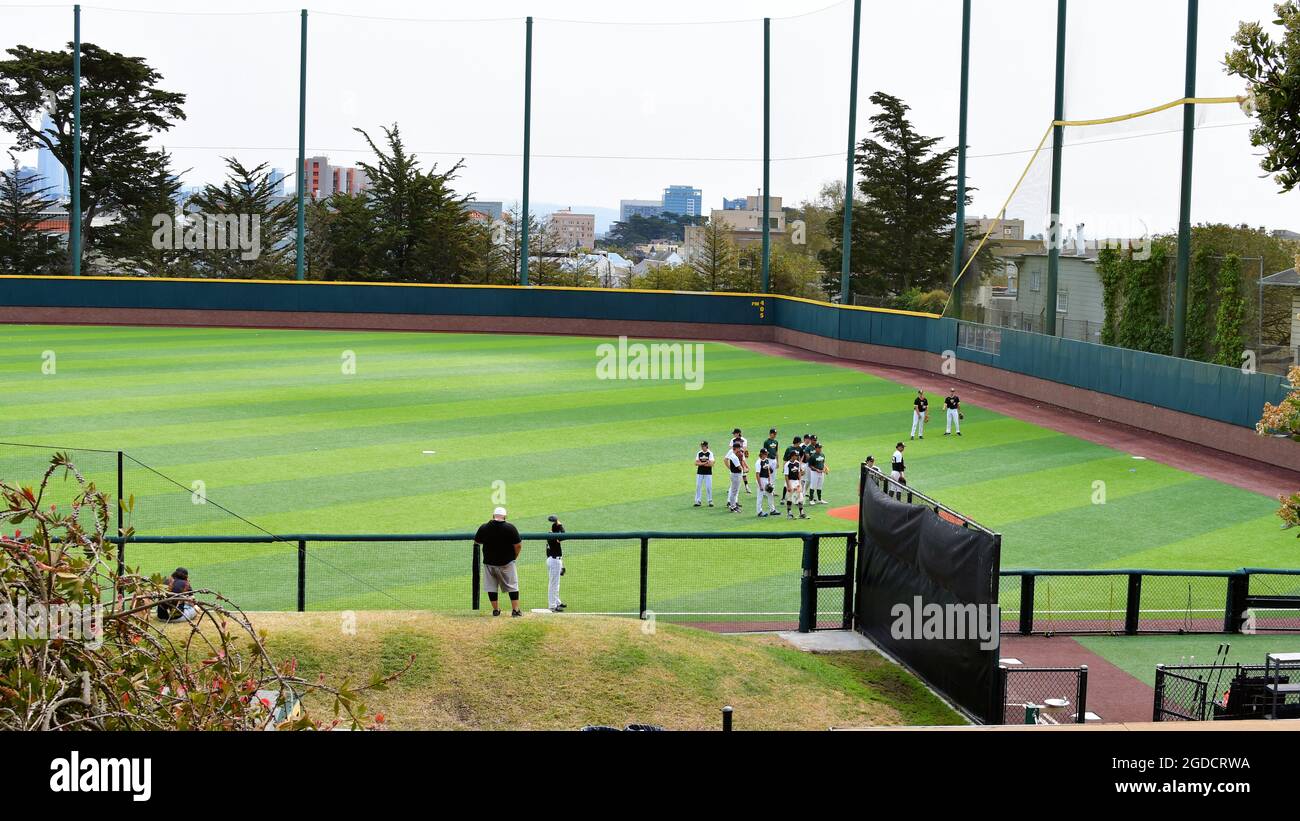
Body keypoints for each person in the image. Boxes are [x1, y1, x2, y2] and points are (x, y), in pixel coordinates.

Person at [474, 507, 523, 617]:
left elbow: (477, 541)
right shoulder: (510, 528)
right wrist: (515, 556)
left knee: (491, 587)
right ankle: (515, 610)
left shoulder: (484, 527)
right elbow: (518, 545)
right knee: (512, 586)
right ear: (505, 516)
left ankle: (496, 610)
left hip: (489, 563)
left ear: (493, 515)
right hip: (507, 563)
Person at [545, 514, 567, 613]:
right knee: (553, 584)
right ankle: (552, 606)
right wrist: (559, 523)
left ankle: (557, 602)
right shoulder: (555, 536)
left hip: (553, 560)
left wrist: (561, 564)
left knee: (556, 583)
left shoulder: (550, 534)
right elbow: (564, 535)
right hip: (554, 561)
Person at [755, 447, 780, 517]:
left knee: (770, 494)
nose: (766, 455)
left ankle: (772, 510)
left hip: (766, 480)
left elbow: (768, 471)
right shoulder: (758, 462)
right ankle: (759, 512)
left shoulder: (766, 460)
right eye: (765, 454)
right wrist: (760, 485)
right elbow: (757, 474)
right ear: (761, 454)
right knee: (760, 496)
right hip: (761, 479)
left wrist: (769, 481)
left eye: (766, 454)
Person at [784, 450, 807, 519]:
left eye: (797, 455)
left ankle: (801, 513)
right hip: (790, 481)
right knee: (790, 498)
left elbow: (799, 473)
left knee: (800, 497)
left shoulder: (797, 463)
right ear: (792, 456)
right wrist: (788, 486)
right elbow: (786, 476)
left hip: (796, 482)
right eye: (796, 455)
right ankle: (789, 513)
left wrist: (799, 483)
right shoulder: (787, 464)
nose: (797, 456)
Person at [724, 441, 746, 512]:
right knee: (734, 492)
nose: (740, 449)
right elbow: (740, 467)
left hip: (735, 475)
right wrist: (745, 469)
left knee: (734, 491)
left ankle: (733, 505)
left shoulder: (734, 455)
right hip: (736, 475)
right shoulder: (734, 457)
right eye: (739, 448)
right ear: (736, 448)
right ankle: (732, 506)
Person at [694, 441, 715, 507]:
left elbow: (711, 464)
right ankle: (698, 501)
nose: (702, 447)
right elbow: (696, 463)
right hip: (699, 472)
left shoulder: (710, 453)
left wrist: (701, 463)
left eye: (703, 446)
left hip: (708, 473)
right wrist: (705, 463)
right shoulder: (699, 453)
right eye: (701, 446)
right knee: (698, 486)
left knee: (708, 487)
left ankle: (710, 501)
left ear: (706, 446)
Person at [731, 428, 751, 494]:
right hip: (734, 458)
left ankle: (747, 487)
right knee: (733, 473)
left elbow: (744, 449)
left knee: (744, 474)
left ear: (738, 433)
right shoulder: (732, 440)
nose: (734, 435)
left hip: (742, 458)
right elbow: (731, 448)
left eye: (735, 433)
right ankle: (732, 488)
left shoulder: (744, 440)